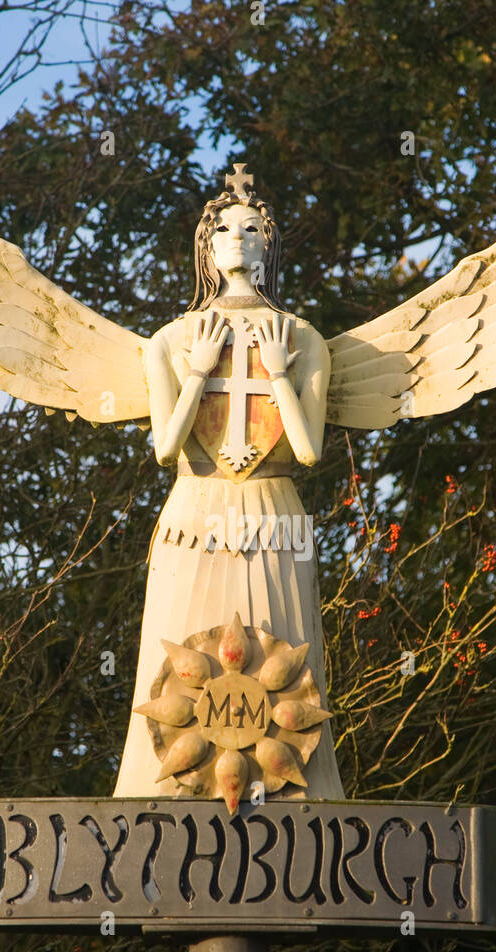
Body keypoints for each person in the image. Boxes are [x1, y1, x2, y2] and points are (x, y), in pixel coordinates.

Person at [111, 170, 343, 803]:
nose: (236, 237)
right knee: (178, 660)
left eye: (251, 228)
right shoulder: (169, 342)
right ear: (205, 248)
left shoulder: (304, 340)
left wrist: (276, 374)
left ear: (268, 246)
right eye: (222, 228)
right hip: (194, 511)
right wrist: (199, 373)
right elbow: (165, 447)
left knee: (284, 661)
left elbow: (308, 449)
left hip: (274, 512)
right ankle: (161, 797)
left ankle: (295, 800)